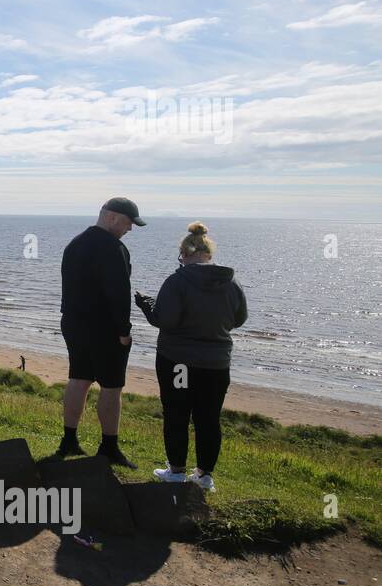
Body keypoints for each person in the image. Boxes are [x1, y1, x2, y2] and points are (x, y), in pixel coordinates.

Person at [136, 222, 247, 492]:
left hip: (178, 360)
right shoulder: (230, 282)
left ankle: (176, 472)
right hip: (216, 363)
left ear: (184, 254)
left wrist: (147, 307)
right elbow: (239, 319)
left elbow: (166, 320)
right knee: (208, 418)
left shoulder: (178, 281)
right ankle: (205, 475)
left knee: (177, 413)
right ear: (209, 254)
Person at [55, 197, 145, 467]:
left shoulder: (75, 244)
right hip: (104, 327)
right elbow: (119, 293)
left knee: (79, 379)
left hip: (73, 322)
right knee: (112, 387)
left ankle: (69, 440)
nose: (129, 229)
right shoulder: (113, 248)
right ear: (112, 217)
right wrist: (124, 331)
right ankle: (109, 447)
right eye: (128, 223)